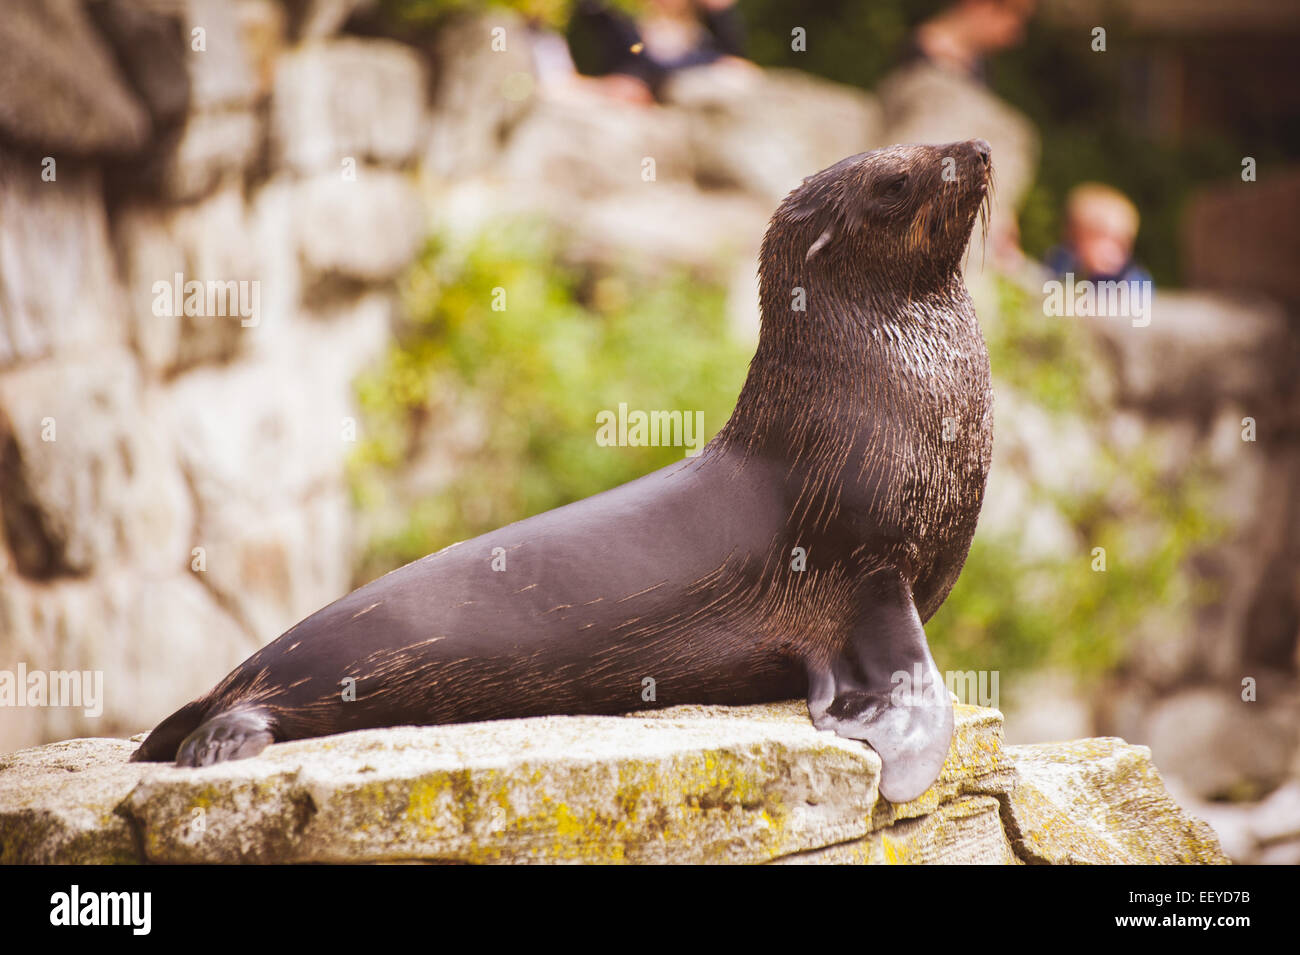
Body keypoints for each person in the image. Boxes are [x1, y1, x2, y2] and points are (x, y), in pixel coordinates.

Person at [565, 0, 750, 103]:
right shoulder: (626, 30)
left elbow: (733, 54)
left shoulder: (703, 38)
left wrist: (720, 11)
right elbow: (649, 63)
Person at [1045, 183, 1153, 285]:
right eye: (1101, 237)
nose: (1112, 249)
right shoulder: (1060, 261)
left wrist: (1104, 277)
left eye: (1121, 243)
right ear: (1074, 236)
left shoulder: (1131, 276)